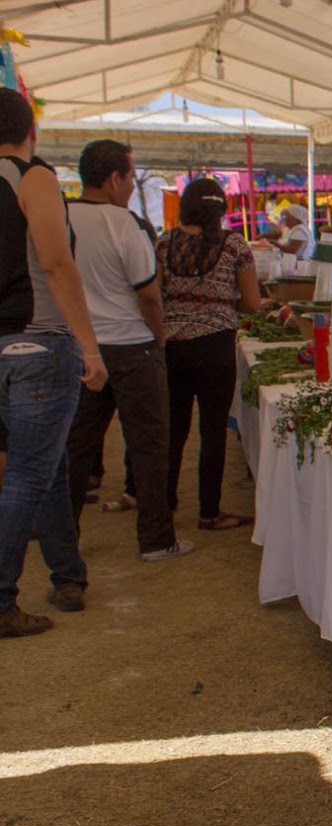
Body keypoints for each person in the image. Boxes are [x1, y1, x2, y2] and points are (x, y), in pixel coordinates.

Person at [0, 86, 108, 637]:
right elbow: (56, 262)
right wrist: (89, 345)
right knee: (27, 473)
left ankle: (68, 575)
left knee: (45, 465)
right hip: (37, 340)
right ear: (30, 131)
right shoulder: (32, 175)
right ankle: (0, 600)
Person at [63, 139, 192, 563]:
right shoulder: (126, 224)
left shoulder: (58, 218)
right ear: (115, 178)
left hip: (80, 346)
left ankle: (64, 543)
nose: (132, 186)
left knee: (76, 447)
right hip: (133, 346)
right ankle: (155, 539)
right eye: (132, 178)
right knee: (149, 445)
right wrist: (159, 338)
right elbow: (149, 295)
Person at [157, 177, 261, 531]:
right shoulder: (235, 246)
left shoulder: (163, 243)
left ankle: (165, 504)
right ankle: (209, 512)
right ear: (221, 208)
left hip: (171, 345)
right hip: (215, 343)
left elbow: (153, 296)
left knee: (173, 429)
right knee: (213, 430)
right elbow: (251, 303)